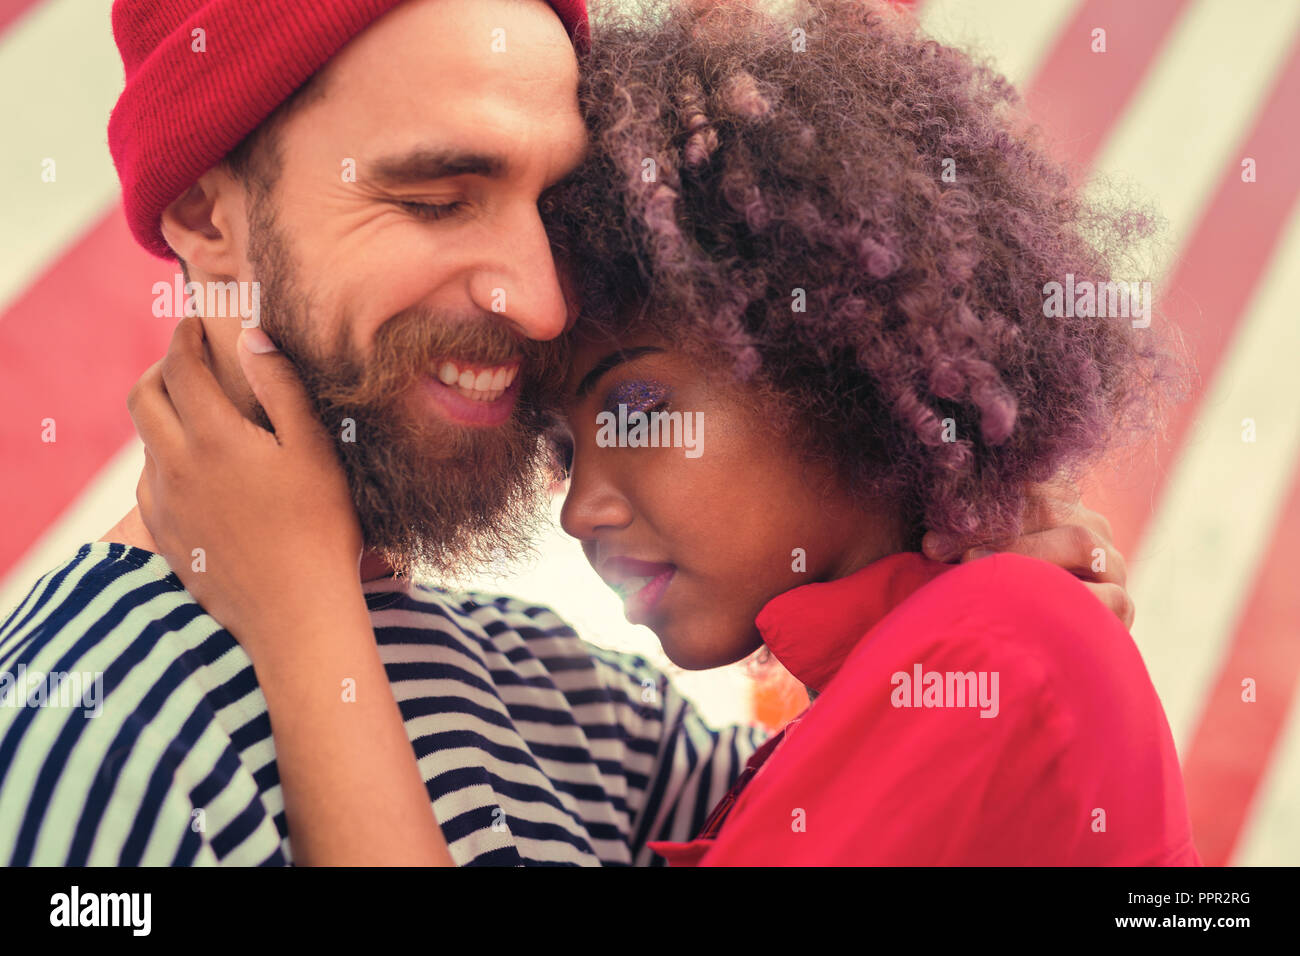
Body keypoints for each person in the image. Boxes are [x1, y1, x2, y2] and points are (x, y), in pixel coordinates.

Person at [120, 0, 1190, 865]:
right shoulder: (744, 736)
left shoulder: (986, 652)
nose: (578, 507)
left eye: (634, 407)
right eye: (562, 442)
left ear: (833, 355)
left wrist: (304, 618)